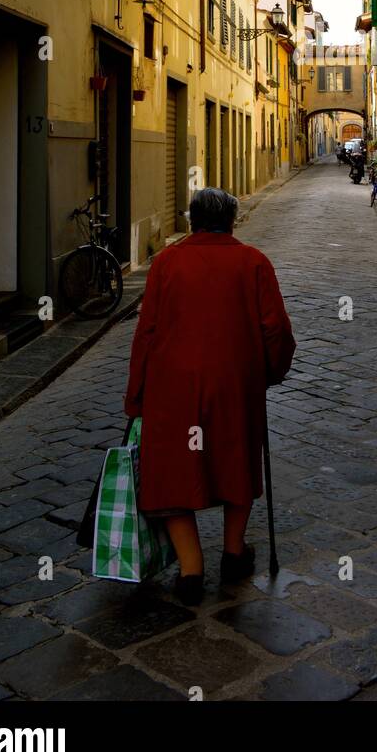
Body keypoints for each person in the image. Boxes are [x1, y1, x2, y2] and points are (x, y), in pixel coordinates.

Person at [123, 188, 295, 605]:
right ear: (232, 220)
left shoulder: (165, 263)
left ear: (192, 220)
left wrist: (136, 395)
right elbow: (277, 330)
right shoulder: (254, 262)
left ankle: (190, 569)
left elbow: (145, 333)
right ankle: (234, 554)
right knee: (236, 461)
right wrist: (269, 373)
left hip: (171, 386)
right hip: (235, 384)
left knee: (171, 472)